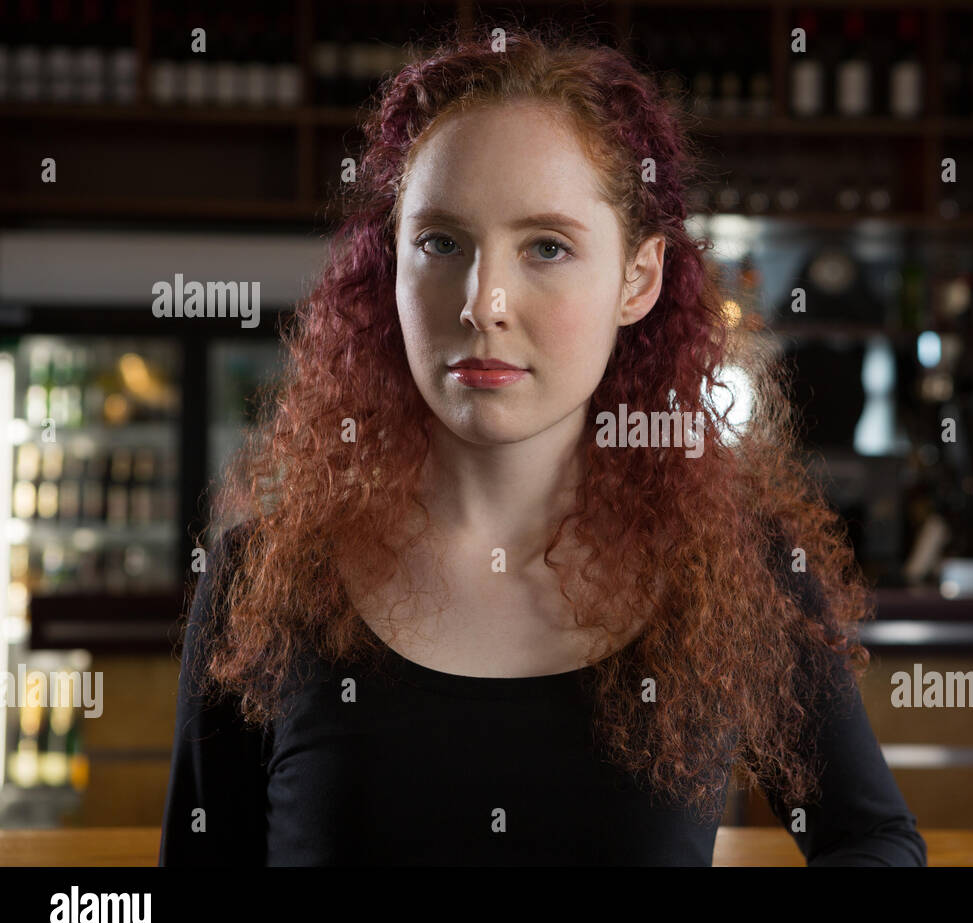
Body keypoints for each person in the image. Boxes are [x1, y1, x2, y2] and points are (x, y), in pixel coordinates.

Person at [160, 22, 926, 867]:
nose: (483, 302)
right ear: (392, 267)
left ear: (637, 280)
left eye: (547, 247)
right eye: (441, 243)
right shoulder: (257, 582)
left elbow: (871, 841)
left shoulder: (736, 568)